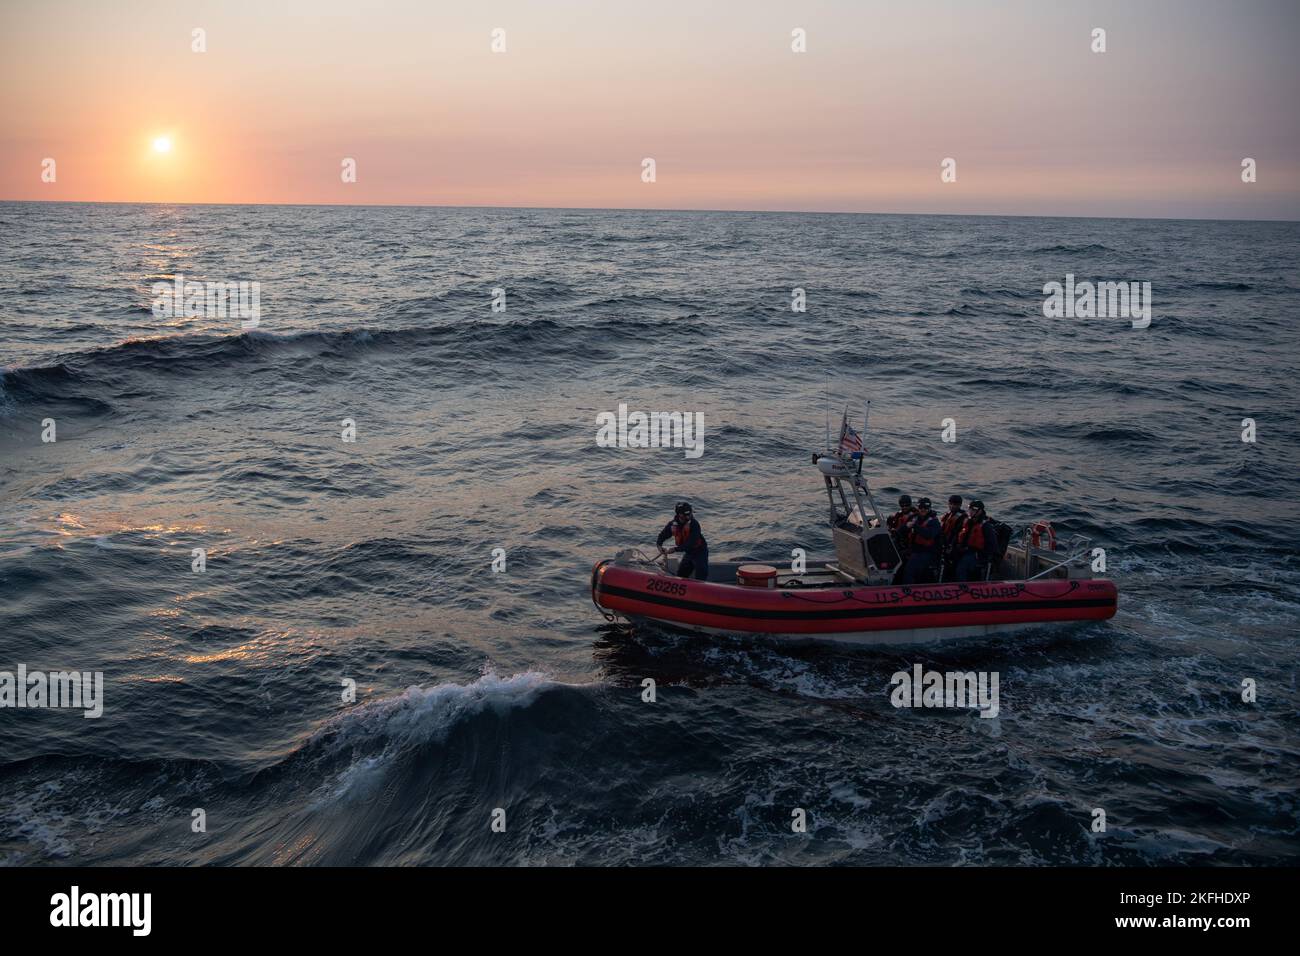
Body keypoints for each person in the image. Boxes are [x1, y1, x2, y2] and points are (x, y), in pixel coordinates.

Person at [656, 501, 709, 580]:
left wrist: (675, 549)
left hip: (700, 551)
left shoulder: (694, 524)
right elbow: (662, 535)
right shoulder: (672, 525)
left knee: (701, 572)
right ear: (680, 515)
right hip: (688, 553)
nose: (690, 516)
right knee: (681, 574)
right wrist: (659, 545)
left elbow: (691, 542)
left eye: (690, 513)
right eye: (687, 514)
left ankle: (702, 589)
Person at [954, 499, 998, 582]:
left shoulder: (985, 526)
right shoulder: (968, 522)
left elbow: (992, 546)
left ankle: (962, 587)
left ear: (980, 511)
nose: (970, 512)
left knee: (962, 566)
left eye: (973, 510)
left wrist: (980, 555)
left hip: (978, 554)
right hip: (966, 550)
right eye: (970, 509)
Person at [901, 497, 942, 584]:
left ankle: (909, 590)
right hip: (914, 549)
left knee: (909, 570)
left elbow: (929, 535)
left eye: (925, 508)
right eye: (921, 507)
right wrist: (904, 528)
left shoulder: (934, 521)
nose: (923, 509)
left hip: (926, 552)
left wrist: (915, 526)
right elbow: (902, 529)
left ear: (929, 508)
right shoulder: (915, 517)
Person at [939, 494, 967, 581]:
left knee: (952, 564)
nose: (952, 506)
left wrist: (950, 546)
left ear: (959, 505)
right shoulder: (948, 515)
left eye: (955, 504)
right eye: (950, 504)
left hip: (955, 545)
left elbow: (957, 533)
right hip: (945, 542)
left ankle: (951, 579)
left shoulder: (963, 517)